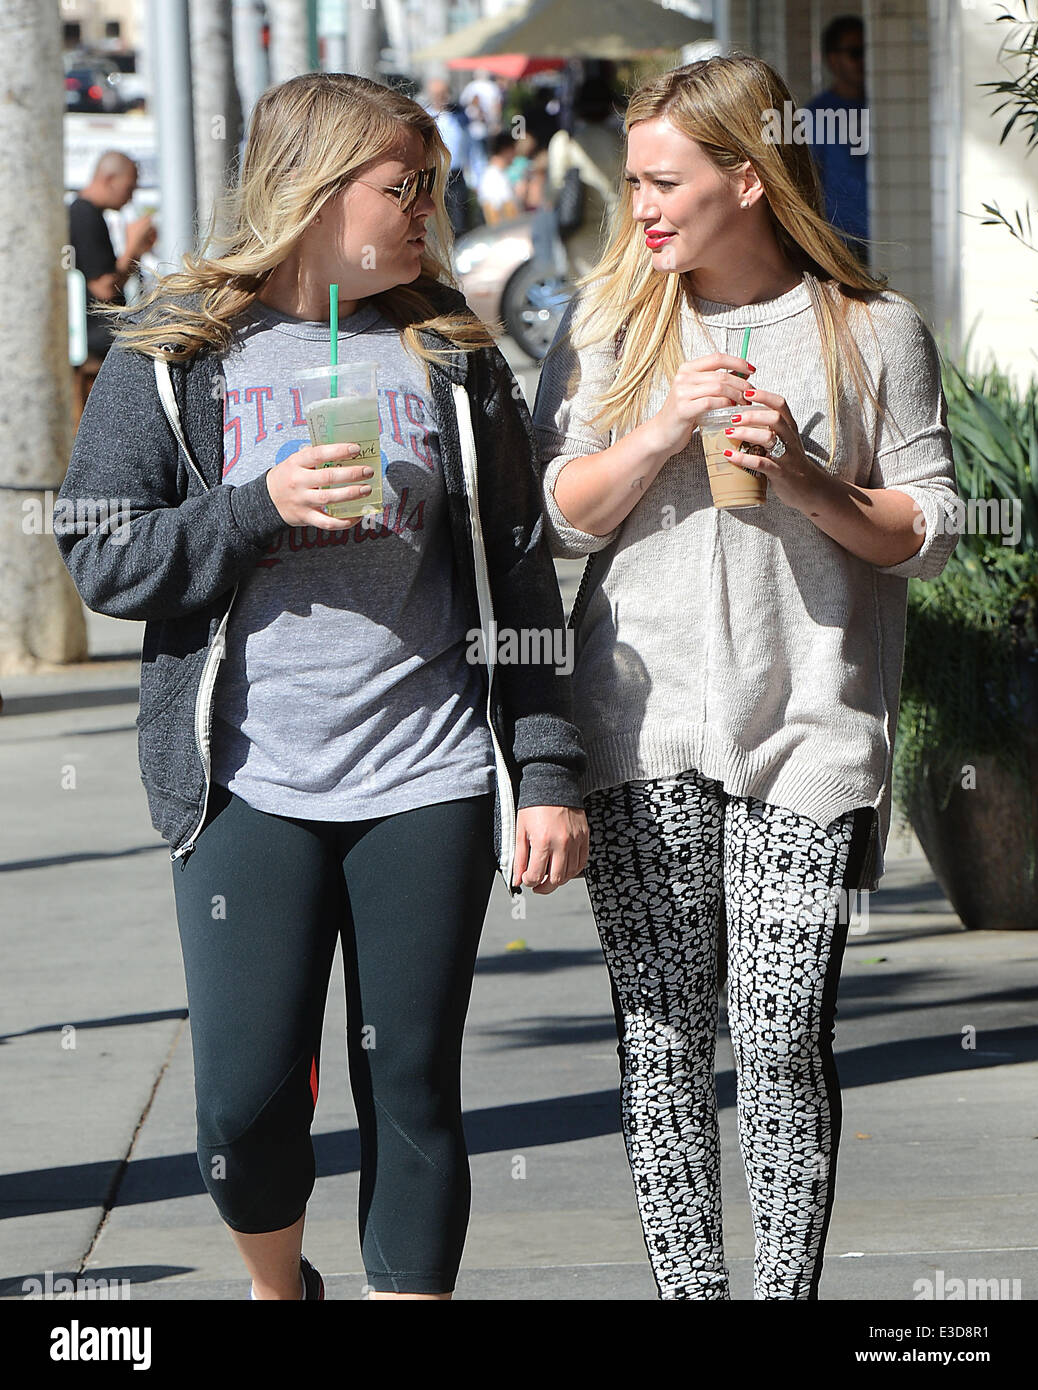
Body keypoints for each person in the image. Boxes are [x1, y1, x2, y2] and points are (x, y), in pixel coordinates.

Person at [55, 71, 588, 1302]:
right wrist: (256, 508)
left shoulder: (453, 355)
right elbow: (99, 546)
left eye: (433, 187)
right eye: (403, 187)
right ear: (314, 187)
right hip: (247, 779)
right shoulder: (176, 353)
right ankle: (278, 1285)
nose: (426, 212)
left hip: (429, 772)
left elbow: (517, 574)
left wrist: (546, 768)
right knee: (243, 1102)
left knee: (409, 1082)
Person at [532, 55, 960, 1300]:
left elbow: (923, 532)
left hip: (812, 726)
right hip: (638, 722)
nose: (643, 210)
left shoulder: (868, 327)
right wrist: (661, 427)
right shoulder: (613, 322)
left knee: (779, 1034)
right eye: (632, 184)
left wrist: (807, 479)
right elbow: (559, 515)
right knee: (662, 1041)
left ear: (747, 177)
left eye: (665, 183)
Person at [67, 150, 156, 417]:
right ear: (108, 179)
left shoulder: (91, 214)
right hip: (93, 351)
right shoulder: (84, 215)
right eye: (129, 188)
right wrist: (134, 248)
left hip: (96, 347)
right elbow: (104, 287)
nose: (131, 197)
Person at [540, 77, 623, 278]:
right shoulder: (622, 140)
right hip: (620, 226)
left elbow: (552, 191)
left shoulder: (566, 142)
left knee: (586, 292)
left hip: (580, 229)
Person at [806, 16, 869, 258]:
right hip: (844, 241)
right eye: (856, 53)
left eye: (868, 51)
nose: (864, 61)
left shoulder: (887, 107)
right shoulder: (815, 114)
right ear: (833, 60)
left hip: (892, 230)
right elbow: (809, 182)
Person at [422, 78, 475, 234]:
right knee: (435, 218)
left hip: (456, 173)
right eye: (437, 94)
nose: (441, 97)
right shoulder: (425, 117)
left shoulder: (459, 117)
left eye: (444, 94)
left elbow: (470, 146)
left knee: (460, 219)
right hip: (434, 174)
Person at [478, 131, 522, 223]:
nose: (516, 154)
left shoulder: (496, 174)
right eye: (513, 148)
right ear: (506, 150)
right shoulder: (493, 177)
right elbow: (495, 215)